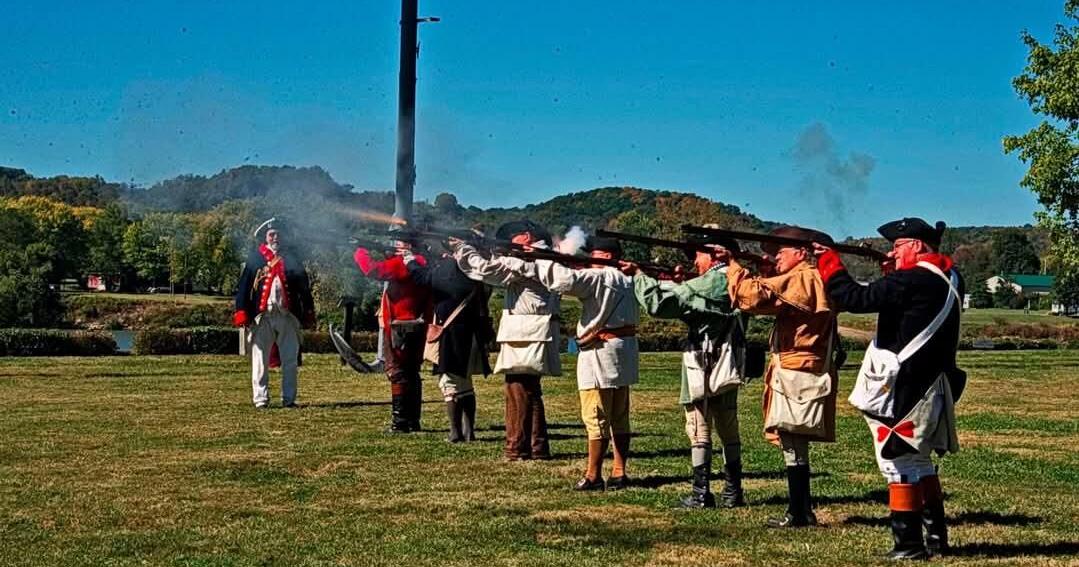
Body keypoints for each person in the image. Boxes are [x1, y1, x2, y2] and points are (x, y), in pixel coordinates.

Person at [814, 218, 964, 559]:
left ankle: (908, 545)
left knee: (899, 465)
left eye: (898, 247)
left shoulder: (912, 279)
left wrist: (828, 261)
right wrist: (892, 274)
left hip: (905, 389)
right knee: (921, 463)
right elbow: (908, 308)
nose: (892, 253)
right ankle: (937, 541)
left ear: (917, 247)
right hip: (932, 385)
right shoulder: (951, 278)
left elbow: (853, 298)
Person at [715, 225, 839, 528]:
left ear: (800, 253)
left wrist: (732, 266)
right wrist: (768, 270)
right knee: (792, 441)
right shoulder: (803, 275)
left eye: (779, 252)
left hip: (797, 370)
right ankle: (800, 510)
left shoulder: (802, 277)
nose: (774, 257)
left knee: (793, 439)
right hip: (798, 367)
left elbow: (753, 298)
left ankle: (799, 512)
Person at [505, 234, 639, 490]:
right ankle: (619, 471)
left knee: (595, 416)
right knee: (620, 415)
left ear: (608, 257)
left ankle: (593, 475)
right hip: (623, 351)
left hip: (599, 352)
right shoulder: (629, 277)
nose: (589, 259)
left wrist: (540, 256)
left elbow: (564, 281)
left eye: (594, 255)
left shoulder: (601, 276)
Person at [629, 235, 748, 508]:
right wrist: (676, 282)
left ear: (716, 255)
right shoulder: (737, 278)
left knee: (698, 428)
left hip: (701, 362)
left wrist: (638, 275)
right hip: (728, 361)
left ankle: (700, 493)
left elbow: (658, 303)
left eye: (698, 254)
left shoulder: (712, 281)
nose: (695, 261)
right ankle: (733, 492)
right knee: (729, 428)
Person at [450, 220, 561, 460]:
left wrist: (464, 248)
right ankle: (536, 447)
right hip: (533, 330)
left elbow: (483, 270)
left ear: (526, 237)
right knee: (529, 390)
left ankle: (516, 448)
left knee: (518, 389)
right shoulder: (543, 257)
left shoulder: (527, 260)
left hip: (526, 331)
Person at [403, 241, 493, 442]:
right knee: (465, 383)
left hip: (453, 335)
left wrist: (408, 257)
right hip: (470, 332)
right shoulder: (470, 268)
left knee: (449, 384)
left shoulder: (450, 268)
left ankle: (455, 432)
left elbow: (422, 276)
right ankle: (469, 431)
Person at [233, 218, 316, 409]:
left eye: (278, 234)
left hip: (287, 315)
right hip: (262, 316)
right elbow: (244, 287)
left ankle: (289, 399)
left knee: (290, 359)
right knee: (259, 358)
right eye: (272, 234)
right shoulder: (256, 259)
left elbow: (304, 287)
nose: (275, 237)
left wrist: (308, 311)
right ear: (265, 237)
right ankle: (260, 399)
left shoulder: (292, 258)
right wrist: (241, 311)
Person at [354, 233, 432, 433]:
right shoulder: (423, 262)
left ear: (406, 246)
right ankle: (413, 420)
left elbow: (372, 269)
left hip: (399, 326)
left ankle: (400, 422)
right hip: (416, 324)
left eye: (398, 242)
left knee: (396, 372)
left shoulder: (402, 264)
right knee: (411, 373)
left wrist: (360, 250)